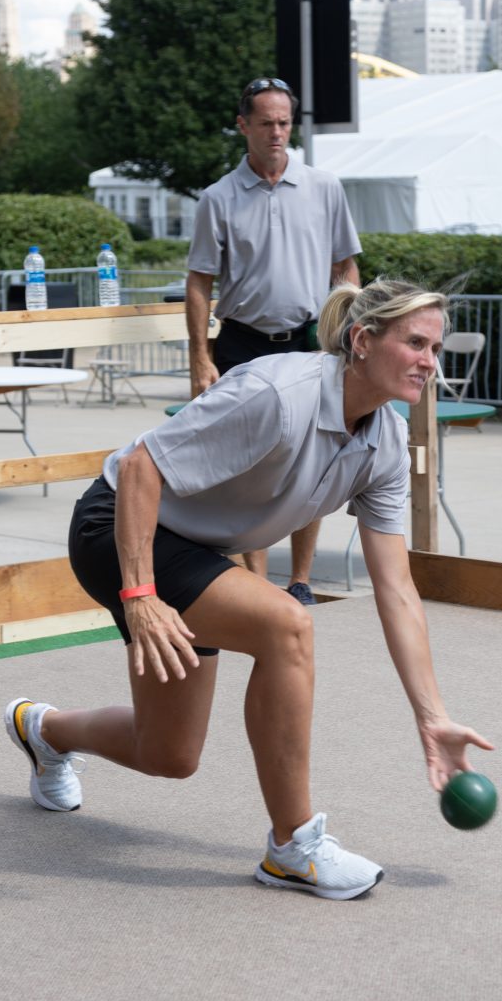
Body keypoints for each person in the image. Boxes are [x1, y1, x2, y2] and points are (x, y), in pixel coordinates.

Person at [4, 278, 495, 902]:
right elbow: (139, 468)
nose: (430, 362)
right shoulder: (277, 393)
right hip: (119, 528)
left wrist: (433, 719)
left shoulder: (386, 441)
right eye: (416, 343)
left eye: (436, 348)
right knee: (286, 623)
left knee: (169, 754)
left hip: (195, 552)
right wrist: (140, 596)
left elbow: (396, 588)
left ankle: (43, 730)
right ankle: (293, 847)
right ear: (364, 341)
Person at [185, 76, 362, 605]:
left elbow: (346, 266)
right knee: (248, 464)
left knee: (314, 459)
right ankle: (257, 586)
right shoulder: (217, 198)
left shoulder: (325, 186)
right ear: (243, 126)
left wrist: (352, 335)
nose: (277, 133)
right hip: (241, 342)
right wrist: (199, 358)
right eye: (266, 123)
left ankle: (301, 580)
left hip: (310, 341)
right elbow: (199, 282)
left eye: (284, 123)